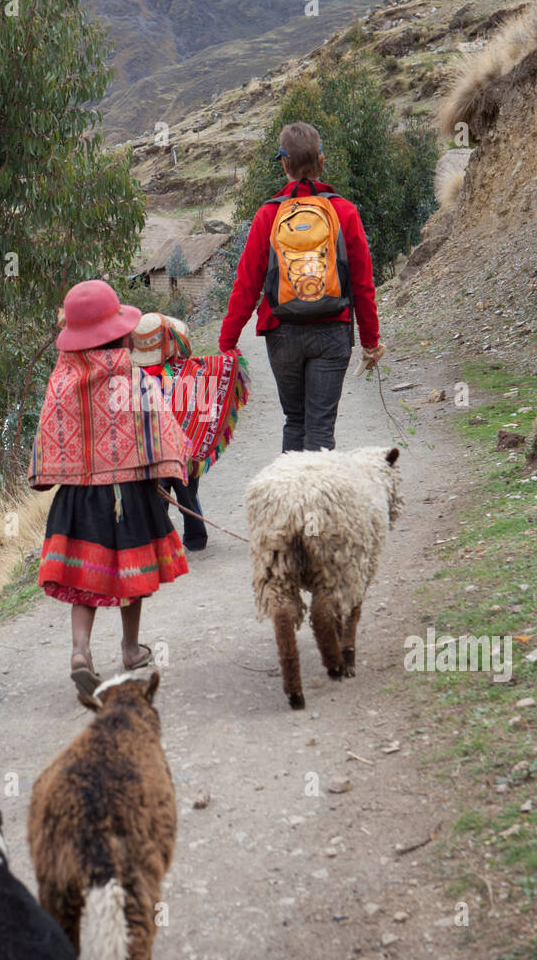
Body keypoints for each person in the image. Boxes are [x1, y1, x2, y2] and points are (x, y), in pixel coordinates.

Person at [28, 280, 189, 695]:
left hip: (79, 498)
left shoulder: (61, 380)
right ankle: (131, 648)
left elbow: (50, 435)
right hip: (129, 493)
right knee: (130, 572)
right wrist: (163, 474)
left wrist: (49, 476)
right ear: (119, 333)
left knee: (85, 576)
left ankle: (80, 651)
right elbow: (159, 431)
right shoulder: (130, 377)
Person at [219, 121, 384, 451]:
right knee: (321, 426)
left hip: (281, 332)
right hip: (332, 330)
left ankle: (290, 500)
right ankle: (318, 502)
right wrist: (370, 340)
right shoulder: (344, 211)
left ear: (284, 164)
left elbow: (247, 283)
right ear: (321, 160)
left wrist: (228, 340)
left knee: (295, 421)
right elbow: (363, 283)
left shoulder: (268, 215)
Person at [131, 313, 208, 552]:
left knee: (169, 493)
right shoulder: (188, 372)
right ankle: (181, 539)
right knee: (177, 493)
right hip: (170, 448)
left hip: (165, 449)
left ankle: (173, 540)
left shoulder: (137, 378)